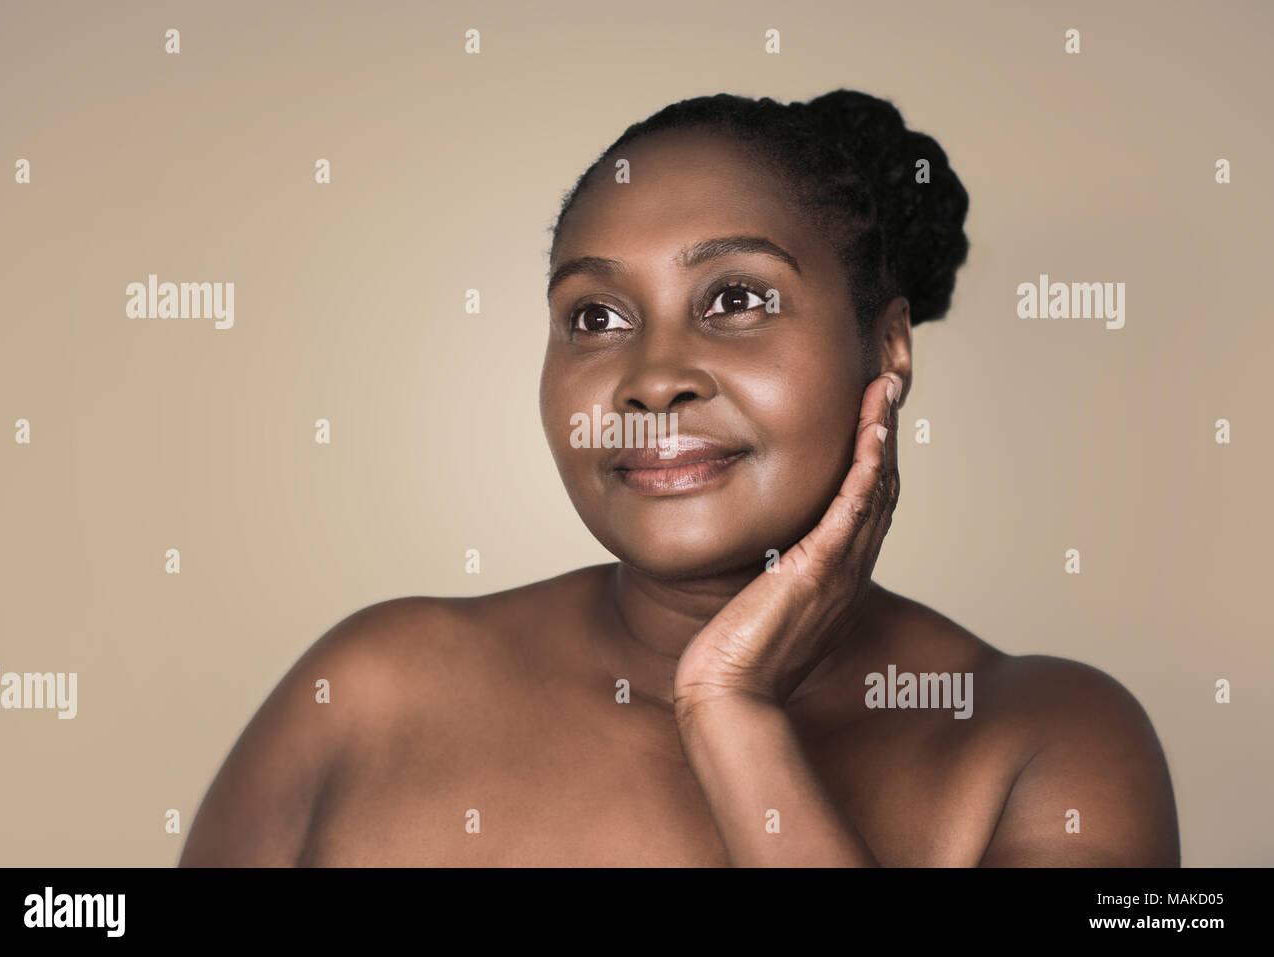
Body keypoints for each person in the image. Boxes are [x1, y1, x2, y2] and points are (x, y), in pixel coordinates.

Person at [180, 89, 1180, 866]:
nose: (652, 378)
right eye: (595, 316)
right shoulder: (369, 689)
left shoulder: (1047, 741)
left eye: (736, 297)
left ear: (885, 345)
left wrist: (732, 711)